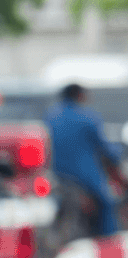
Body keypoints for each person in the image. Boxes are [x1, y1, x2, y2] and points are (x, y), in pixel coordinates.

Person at [45, 83, 123, 237]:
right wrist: (118, 156)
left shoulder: (51, 116)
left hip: (58, 176)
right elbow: (105, 148)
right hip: (84, 176)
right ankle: (108, 241)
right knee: (107, 203)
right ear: (80, 95)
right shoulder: (87, 117)